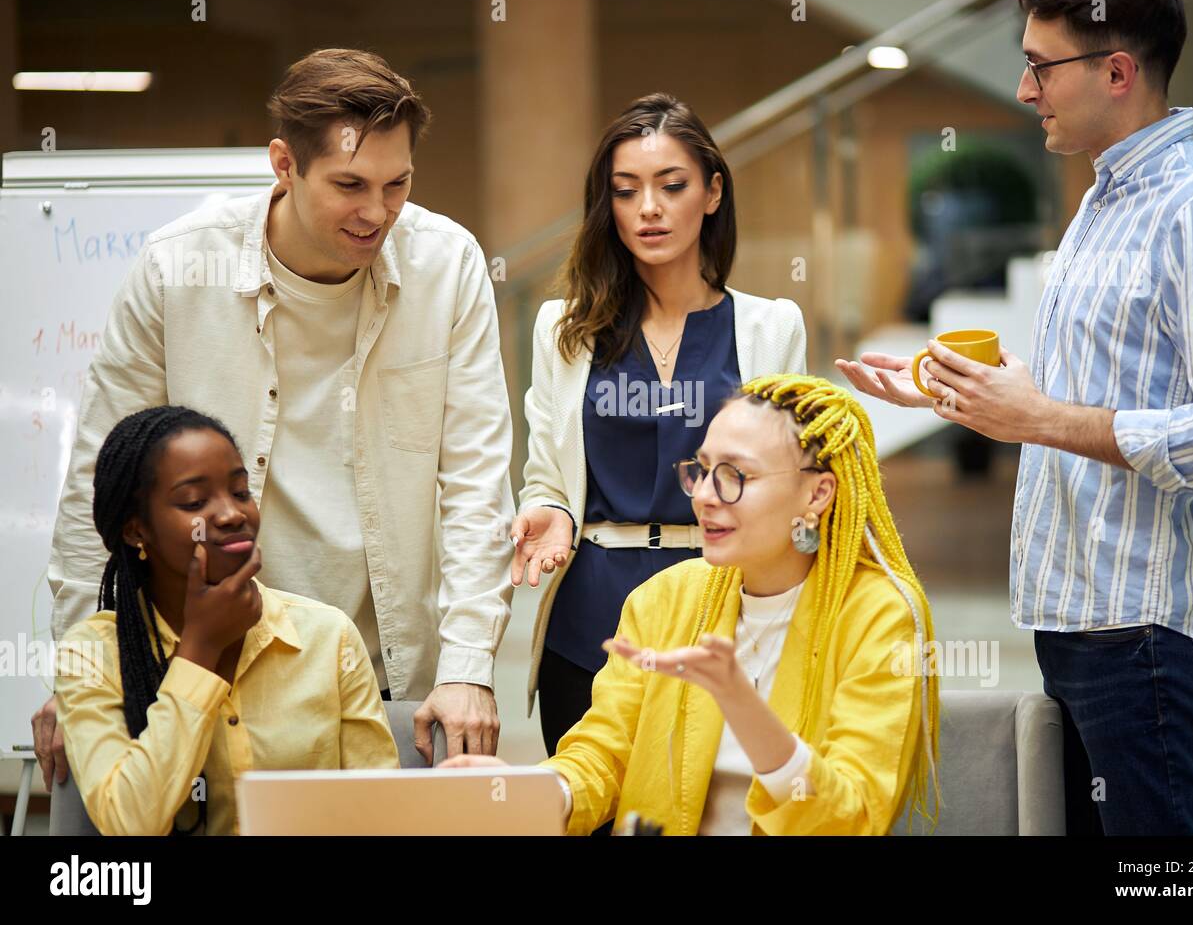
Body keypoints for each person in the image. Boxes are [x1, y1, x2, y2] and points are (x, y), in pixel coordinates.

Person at [837, 0, 1193, 835]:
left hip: (1149, 632)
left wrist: (1037, 417)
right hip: (1078, 617)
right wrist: (960, 390)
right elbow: (1093, 391)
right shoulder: (1100, 203)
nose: (1022, 88)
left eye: (1041, 66)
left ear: (1116, 72)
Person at [34, 47, 515, 794]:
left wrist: (468, 668)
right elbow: (101, 482)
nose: (377, 213)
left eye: (398, 184)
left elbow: (477, 482)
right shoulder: (176, 271)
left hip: (388, 672)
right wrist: (82, 673)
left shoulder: (446, 266)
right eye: (349, 185)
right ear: (284, 163)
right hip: (208, 660)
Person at [447, 375, 939, 836]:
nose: (704, 496)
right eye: (701, 471)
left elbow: (850, 815)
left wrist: (740, 703)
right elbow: (603, 756)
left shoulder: (879, 615)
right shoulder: (665, 598)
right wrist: (530, 792)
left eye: (734, 475)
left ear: (818, 492)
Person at [509, 93, 807, 759]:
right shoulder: (563, 331)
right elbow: (546, 475)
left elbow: (787, 483)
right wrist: (550, 511)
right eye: (626, 190)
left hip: (724, 613)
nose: (649, 207)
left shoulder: (769, 327)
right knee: (590, 809)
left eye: (671, 186)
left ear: (712, 192)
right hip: (588, 618)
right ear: (606, 206)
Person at [56, 406, 399, 835]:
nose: (232, 514)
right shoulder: (90, 655)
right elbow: (130, 823)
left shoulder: (328, 638)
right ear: (135, 530)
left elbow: (380, 817)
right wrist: (199, 652)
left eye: (240, 492)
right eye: (194, 502)